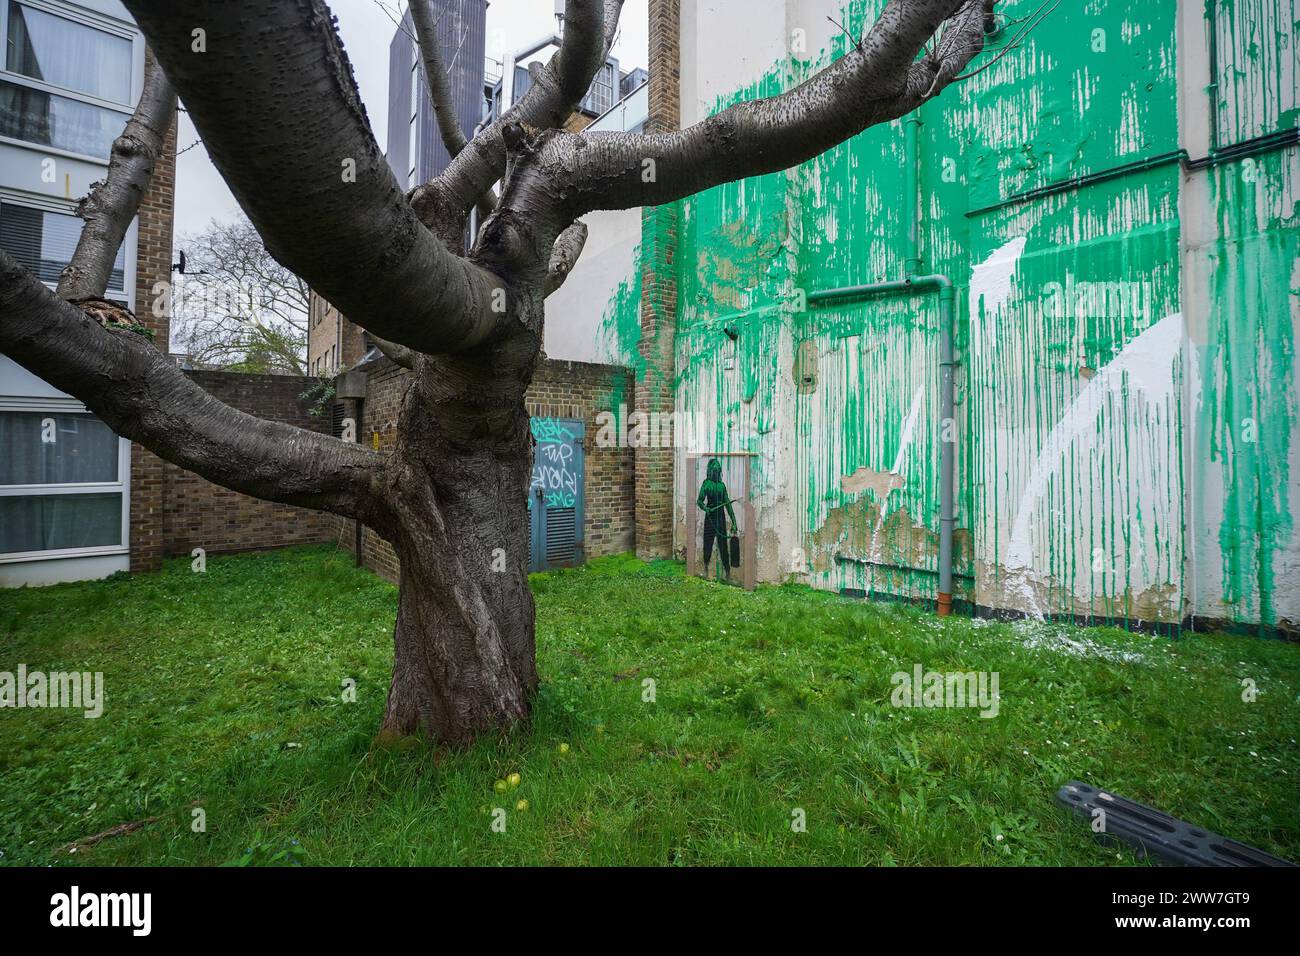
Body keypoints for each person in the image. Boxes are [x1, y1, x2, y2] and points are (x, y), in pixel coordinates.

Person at [696, 458, 737, 578]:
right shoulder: (706, 483)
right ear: (710, 471)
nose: (716, 473)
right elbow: (699, 501)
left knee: (723, 545)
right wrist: (706, 508)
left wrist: (734, 522)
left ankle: (728, 573)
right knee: (707, 544)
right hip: (710, 517)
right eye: (714, 471)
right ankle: (705, 569)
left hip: (721, 517)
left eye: (718, 471)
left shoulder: (722, 486)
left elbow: (728, 504)